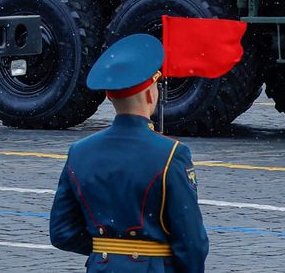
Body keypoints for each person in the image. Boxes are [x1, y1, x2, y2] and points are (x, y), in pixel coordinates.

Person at [49, 33, 209, 272]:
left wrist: (111, 251)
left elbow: (62, 232)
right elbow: (191, 241)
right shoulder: (172, 153)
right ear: (149, 94)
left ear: (109, 95)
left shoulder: (80, 152)